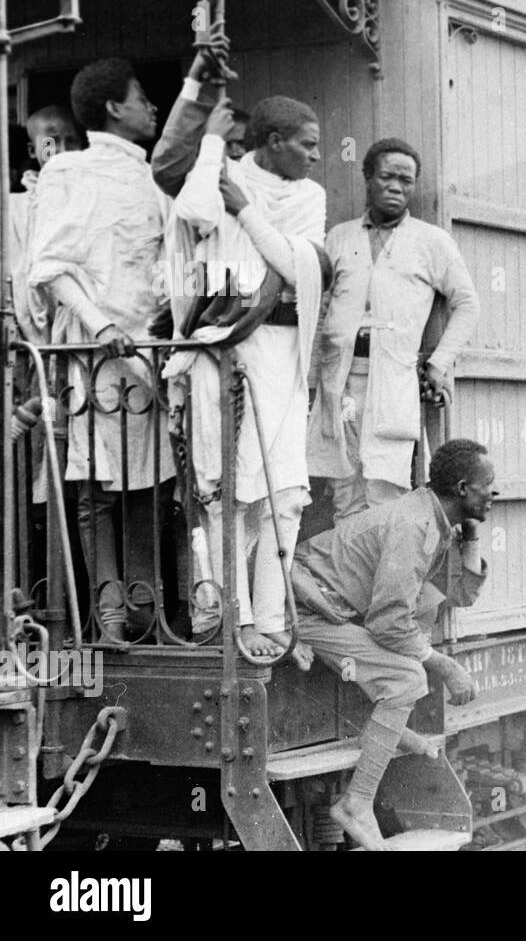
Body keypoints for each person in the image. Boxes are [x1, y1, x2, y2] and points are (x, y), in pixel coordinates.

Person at [153, 39, 327, 659]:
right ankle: (234, 618)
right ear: (274, 141)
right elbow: (196, 213)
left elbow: (294, 265)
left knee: (285, 495)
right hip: (220, 354)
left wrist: (248, 212)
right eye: (307, 144)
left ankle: (272, 615)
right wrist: (209, 144)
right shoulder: (222, 172)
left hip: (282, 354)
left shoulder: (308, 196)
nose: (316, 155)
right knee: (227, 494)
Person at [26, 58, 176, 640]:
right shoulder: (68, 171)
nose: (153, 108)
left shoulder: (153, 177)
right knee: (95, 485)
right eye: (141, 97)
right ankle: (109, 608)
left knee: (150, 482)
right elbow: (49, 266)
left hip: (149, 352)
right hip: (92, 354)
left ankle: (143, 603)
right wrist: (99, 322)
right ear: (114, 107)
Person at [288, 438, 495, 849]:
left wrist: (470, 536)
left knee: (418, 629)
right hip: (304, 607)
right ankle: (355, 804)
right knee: (405, 678)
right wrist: (446, 666)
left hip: (335, 608)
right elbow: (387, 624)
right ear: (461, 489)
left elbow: (458, 594)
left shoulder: (434, 519)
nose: (494, 493)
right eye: (487, 485)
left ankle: (391, 728)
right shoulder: (415, 527)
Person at [306, 137, 481, 522]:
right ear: (368, 178)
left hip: (392, 383)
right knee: (344, 494)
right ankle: (351, 562)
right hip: (341, 384)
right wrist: (312, 382)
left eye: (406, 180)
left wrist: (438, 364)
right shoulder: (339, 237)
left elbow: (467, 304)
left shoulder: (431, 241)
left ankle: (385, 562)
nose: (396, 187)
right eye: (387, 177)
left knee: (387, 492)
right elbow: (321, 311)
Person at [11, 106, 82, 344]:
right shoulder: (15, 208)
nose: (63, 151)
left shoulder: (92, 197)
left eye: (71, 141)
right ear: (33, 150)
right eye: (51, 142)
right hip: (28, 334)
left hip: (82, 322)